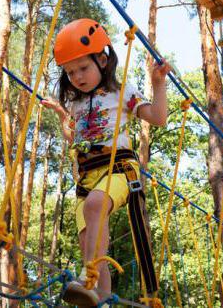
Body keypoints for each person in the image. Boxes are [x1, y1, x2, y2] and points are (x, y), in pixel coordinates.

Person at [41, 18, 170, 306]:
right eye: (70, 72)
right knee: (88, 241)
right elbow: (73, 138)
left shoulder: (121, 93)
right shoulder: (75, 103)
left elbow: (158, 118)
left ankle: (87, 279)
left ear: (102, 59)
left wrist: (158, 84)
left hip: (119, 169)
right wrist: (63, 117)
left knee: (95, 206)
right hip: (86, 179)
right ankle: (99, 297)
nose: (77, 76)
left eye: (83, 68)